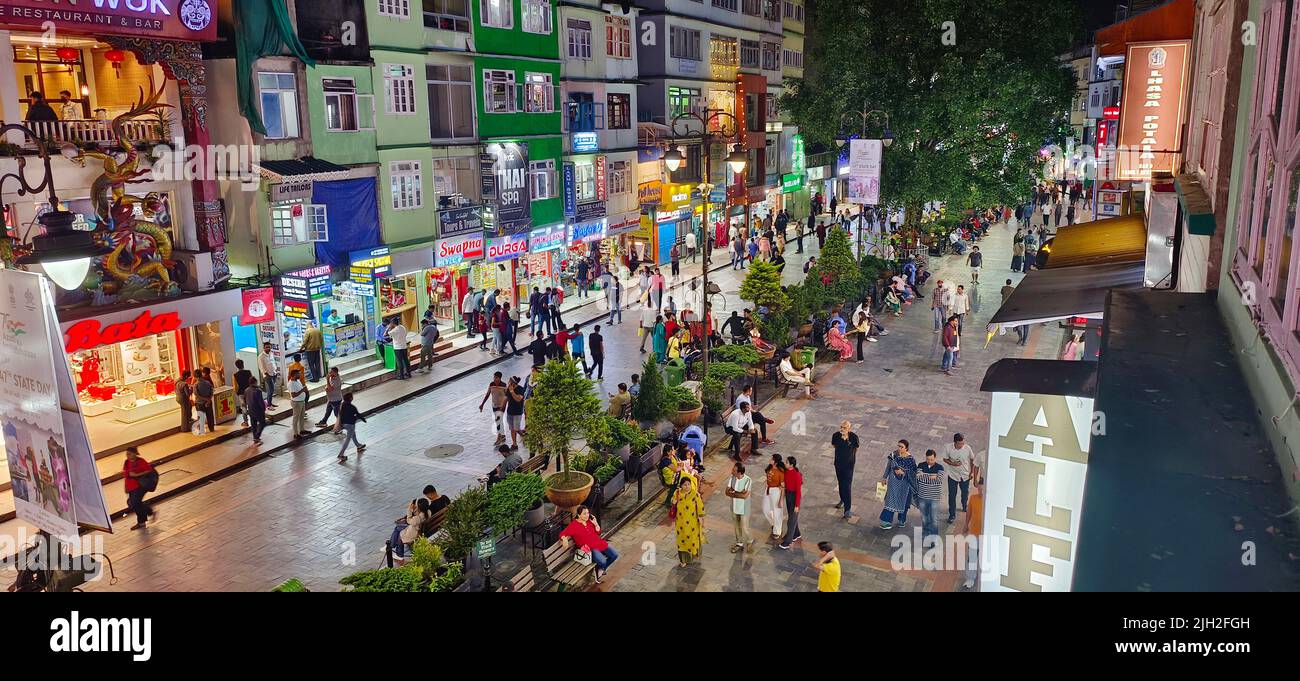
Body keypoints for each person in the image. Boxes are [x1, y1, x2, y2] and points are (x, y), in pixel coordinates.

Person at [559, 505, 619, 583]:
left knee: (615, 555)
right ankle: (600, 568)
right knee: (603, 561)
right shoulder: (574, 525)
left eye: (587, 513)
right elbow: (562, 533)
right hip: (590, 549)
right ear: (579, 515)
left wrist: (596, 523)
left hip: (599, 543)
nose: (587, 515)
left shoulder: (589, 521)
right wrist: (564, 539)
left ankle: (601, 569)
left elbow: (598, 532)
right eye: (584, 513)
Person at [879, 439, 917, 530]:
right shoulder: (893, 455)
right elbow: (888, 467)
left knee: (903, 502)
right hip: (893, 483)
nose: (899, 448)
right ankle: (886, 521)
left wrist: (903, 472)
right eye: (898, 446)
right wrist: (884, 478)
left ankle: (901, 520)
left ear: (906, 448)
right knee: (890, 500)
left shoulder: (910, 460)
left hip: (904, 485)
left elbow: (914, 473)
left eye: (901, 447)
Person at [722, 461, 757, 554]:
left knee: (745, 527)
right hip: (734, 506)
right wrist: (739, 493)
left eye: (734, 470)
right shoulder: (732, 478)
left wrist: (733, 493)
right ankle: (739, 543)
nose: (732, 471)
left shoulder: (748, 480)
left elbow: (745, 496)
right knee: (736, 527)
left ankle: (750, 540)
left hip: (744, 508)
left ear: (739, 472)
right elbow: (726, 492)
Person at [942, 432, 977, 524]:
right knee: (952, 496)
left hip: (965, 475)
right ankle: (952, 515)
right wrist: (953, 463)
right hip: (953, 475)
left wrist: (972, 472)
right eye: (960, 443)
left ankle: (964, 506)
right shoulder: (948, 448)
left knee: (965, 493)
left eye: (963, 443)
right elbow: (945, 459)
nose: (962, 445)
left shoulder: (967, 448)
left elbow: (972, 459)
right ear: (955, 442)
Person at [673, 477, 706, 567]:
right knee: (682, 541)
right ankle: (683, 560)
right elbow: (673, 502)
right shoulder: (677, 493)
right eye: (685, 485)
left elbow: (700, 506)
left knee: (692, 539)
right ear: (681, 485)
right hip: (681, 523)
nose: (687, 486)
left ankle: (694, 555)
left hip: (693, 523)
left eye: (689, 484)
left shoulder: (695, 494)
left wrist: (701, 517)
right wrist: (674, 502)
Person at [122, 447, 157, 530]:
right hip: (131, 487)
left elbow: (149, 470)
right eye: (127, 454)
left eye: (129, 453)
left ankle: (142, 521)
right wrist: (126, 487)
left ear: (135, 454)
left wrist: (137, 474)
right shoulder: (127, 462)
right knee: (133, 504)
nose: (127, 455)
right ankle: (148, 513)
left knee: (135, 503)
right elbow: (126, 476)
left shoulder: (140, 461)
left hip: (140, 486)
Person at [916, 449, 945, 544]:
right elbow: (919, 477)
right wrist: (932, 477)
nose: (930, 461)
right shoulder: (921, 465)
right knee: (924, 518)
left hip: (934, 498)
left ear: (935, 458)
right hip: (922, 497)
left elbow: (939, 480)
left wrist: (925, 476)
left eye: (932, 459)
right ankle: (926, 534)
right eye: (928, 459)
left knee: (934, 519)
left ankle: (934, 538)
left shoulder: (940, 467)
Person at [831, 421, 859, 519]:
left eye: (845, 428)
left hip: (848, 466)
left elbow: (856, 447)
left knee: (847, 486)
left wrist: (847, 442)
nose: (842, 429)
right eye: (841, 427)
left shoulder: (853, 437)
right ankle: (842, 499)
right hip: (838, 464)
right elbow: (835, 445)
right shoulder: (835, 436)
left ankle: (848, 509)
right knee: (840, 483)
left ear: (849, 429)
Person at [962, 478, 985, 589]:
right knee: (972, 556)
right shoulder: (973, 498)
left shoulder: (990, 502)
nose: (981, 492)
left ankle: (983, 577)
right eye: (979, 489)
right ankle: (970, 578)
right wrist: (966, 525)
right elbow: (968, 513)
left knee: (984, 557)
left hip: (985, 536)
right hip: (974, 533)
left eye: (983, 489)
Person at [479, 372, 509, 446]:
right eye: (494, 377)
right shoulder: (491, 384)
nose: (494, 379)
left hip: (501, 406)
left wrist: (506, 404)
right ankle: (502, 435)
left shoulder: (504, 385)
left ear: (499, 378)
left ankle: (498, 439)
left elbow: (507, 396)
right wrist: (482, 404)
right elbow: (488, 394)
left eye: (496, 377)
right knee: (498, 421)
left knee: (499, 420)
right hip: (494, 406)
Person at [761, 454, 785, 541]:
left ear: (775, 461)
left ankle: (777, 531)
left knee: (777, 511)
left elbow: (783, 486)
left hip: (776, 491)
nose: (770, 459)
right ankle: (773, 523)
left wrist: (781, 499)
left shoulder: (780, 472)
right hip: (768, 489)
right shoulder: (769, 467)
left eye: (772, 459)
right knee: (765, 509)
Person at [337, 393, 367, 461]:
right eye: (352, 397)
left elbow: (340, 414)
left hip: (344, 424)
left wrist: (341, 424)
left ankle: (358, 446)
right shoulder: (352, 407)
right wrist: (363, 419)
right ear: (350, 398)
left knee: (353, 434)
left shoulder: (342, 405)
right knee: (348, 440)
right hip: (350, 424)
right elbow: (358, 414)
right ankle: (341, 454)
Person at [505, 377, 526, 449]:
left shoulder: (521, 389)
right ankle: (514, 444)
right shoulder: (508, 389)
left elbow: (518, 399)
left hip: (518, 411)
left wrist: (512, 392)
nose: (509, 383)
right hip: (510, 411)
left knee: (516, 428)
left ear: (514, 383)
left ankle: (524, 435)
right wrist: (503, 407)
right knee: (512, 428)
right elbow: (507, 398)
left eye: (510, 382)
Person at [287, 368, 309, 438]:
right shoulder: (291, 384)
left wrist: (304, 389)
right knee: (296, 418)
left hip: (301, 401)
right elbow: (293, 395)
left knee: (302, 417)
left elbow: (300, 389)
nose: (300, 375)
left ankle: (302, 430)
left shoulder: (297, 380)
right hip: (296, 403)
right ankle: (295, 434)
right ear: (294, 375)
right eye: (298, 374)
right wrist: (302, 390)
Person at [244, 380, 267, 444]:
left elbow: (245, 400)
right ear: (255, 382)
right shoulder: (258, 391)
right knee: (262, 423)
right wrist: (263, 408)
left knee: (253, 424)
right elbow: (261, 402)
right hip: (258, 410)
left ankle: (255, 438)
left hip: (251, 409)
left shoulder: (246, 390)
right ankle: (257, 436)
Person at [233, 359, 254, 427]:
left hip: (241, 393)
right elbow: (252, 382)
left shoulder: (235, 375)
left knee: (243, 407)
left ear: (236, 366)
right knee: (251, 406)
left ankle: (245, 422)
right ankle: (254, 420)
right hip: (249, 392)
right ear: (243, 364)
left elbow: (235, 387)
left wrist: (237, 393)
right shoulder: (248, 372)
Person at [194, 368, 215, 435]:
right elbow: (212, 392)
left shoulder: (196, 385)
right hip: (208, 402)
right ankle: (211, 428)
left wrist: (205, 399)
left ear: (195, 377)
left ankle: (202, 430)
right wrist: (208, 400)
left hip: (200, 403)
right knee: (210, 416)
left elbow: (197, 395)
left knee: (201, 417)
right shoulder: (208, 383)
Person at [176, 369, 194, 433]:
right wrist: (191, 389)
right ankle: (185, 428)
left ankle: (188, 421)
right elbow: (188, 394)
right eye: (188, 377)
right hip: (183, 399)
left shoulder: (177, 380)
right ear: (186, 376)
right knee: (185, 414)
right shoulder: (184, 384)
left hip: (178, 397)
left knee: (187, 410)